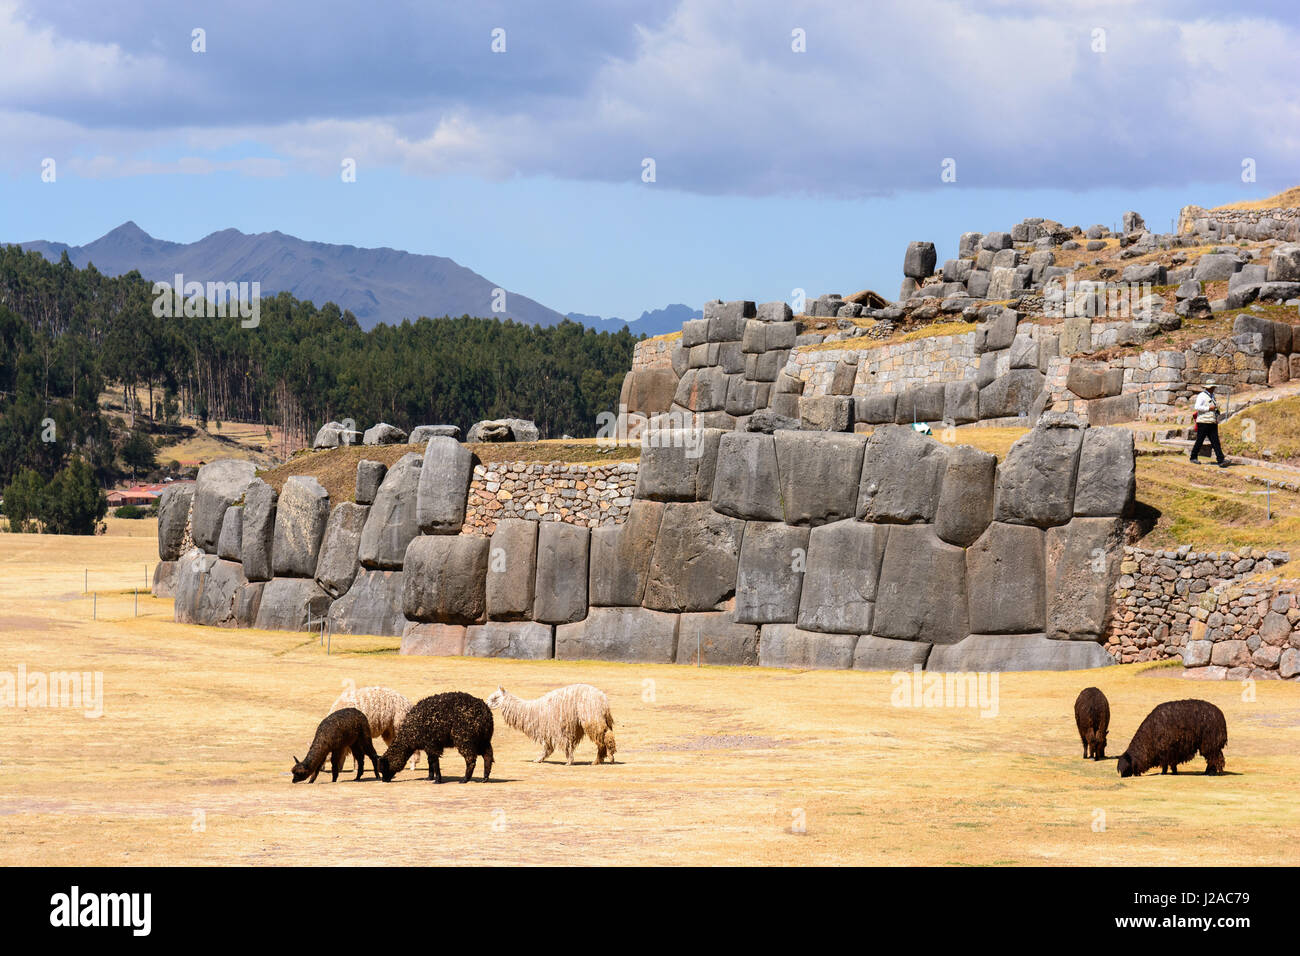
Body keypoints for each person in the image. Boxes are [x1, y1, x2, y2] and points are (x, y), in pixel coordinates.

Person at [1190, 381, 1228, 467]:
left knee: (1215, 442)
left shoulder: (1212, 396)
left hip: (1212, 421)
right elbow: (1197, 407)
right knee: (1200, 440)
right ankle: (1193, 457)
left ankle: (1220, 460)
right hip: (1203, 422)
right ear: (1209, 387)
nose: (1214, 389)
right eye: (1213, 387)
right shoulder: (1201, 396)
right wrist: (1208, 408)